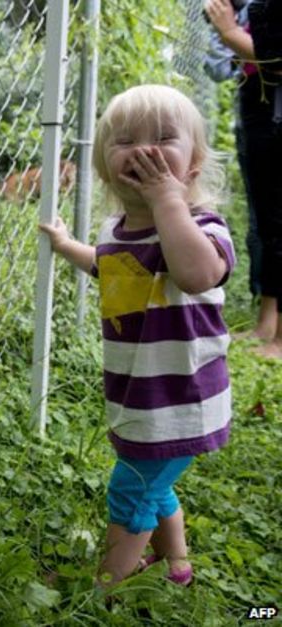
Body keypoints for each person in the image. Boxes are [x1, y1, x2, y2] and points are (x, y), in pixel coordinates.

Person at [39, 85, 235, 587]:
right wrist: (67, 246)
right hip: (140, 397)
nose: (144, 149)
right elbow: (110, 268)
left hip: (180, 400)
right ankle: (177, 566)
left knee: (132, 492)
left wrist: (168, 201)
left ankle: (106, 586)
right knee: (152, 481)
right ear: (105, 167)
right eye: (125, 140)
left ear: (193, 165)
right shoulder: (116, 230)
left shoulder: (202, 227)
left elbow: (196, 274)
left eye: (165, 138)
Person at [206, 0, 282, 355]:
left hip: (274, 100)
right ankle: (268, 324)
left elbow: (276, 58)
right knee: (269, 220)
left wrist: (230, 32)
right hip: (260, 102)